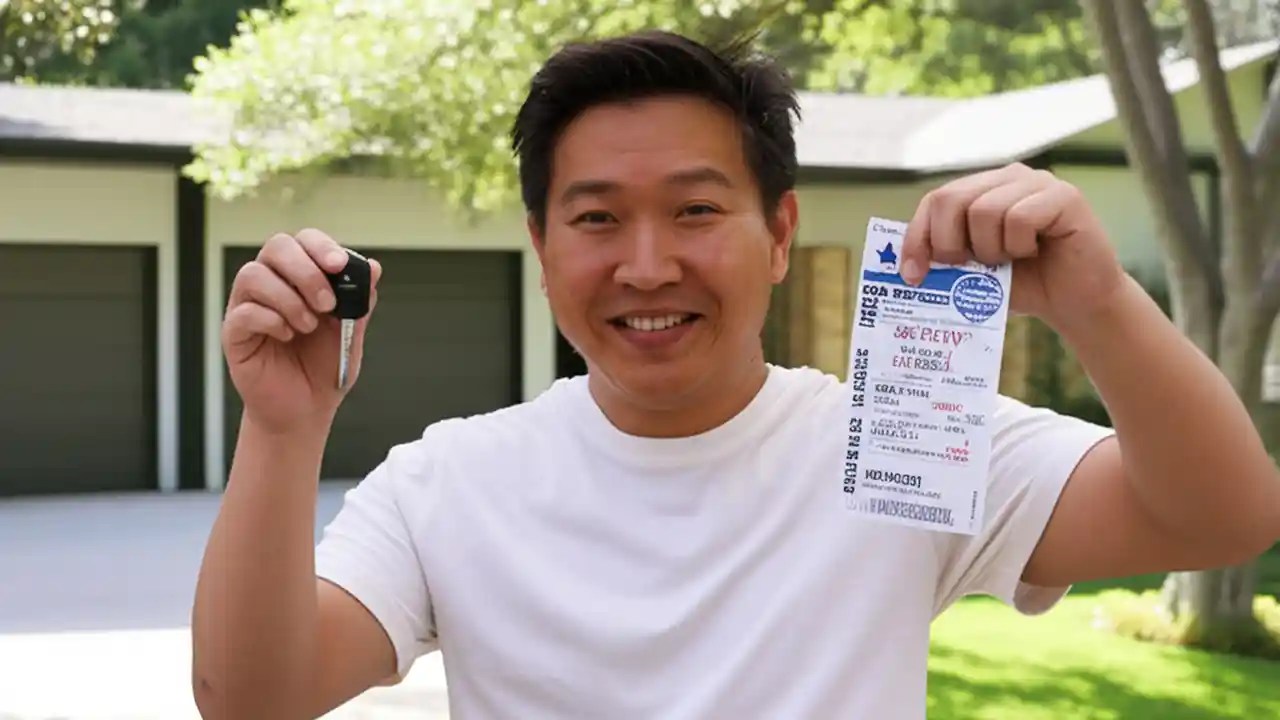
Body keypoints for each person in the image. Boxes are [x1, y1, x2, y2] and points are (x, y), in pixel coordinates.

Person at [190, 29, 1280, 720]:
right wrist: (282, 433)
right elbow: (252, 699)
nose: (647, 264)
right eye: (597, 218)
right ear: (541, 247)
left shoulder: (902, 439)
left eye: (697, 210)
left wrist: (1098, 300)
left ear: (776, 233)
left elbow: (1220, 519)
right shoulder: (447, 483)